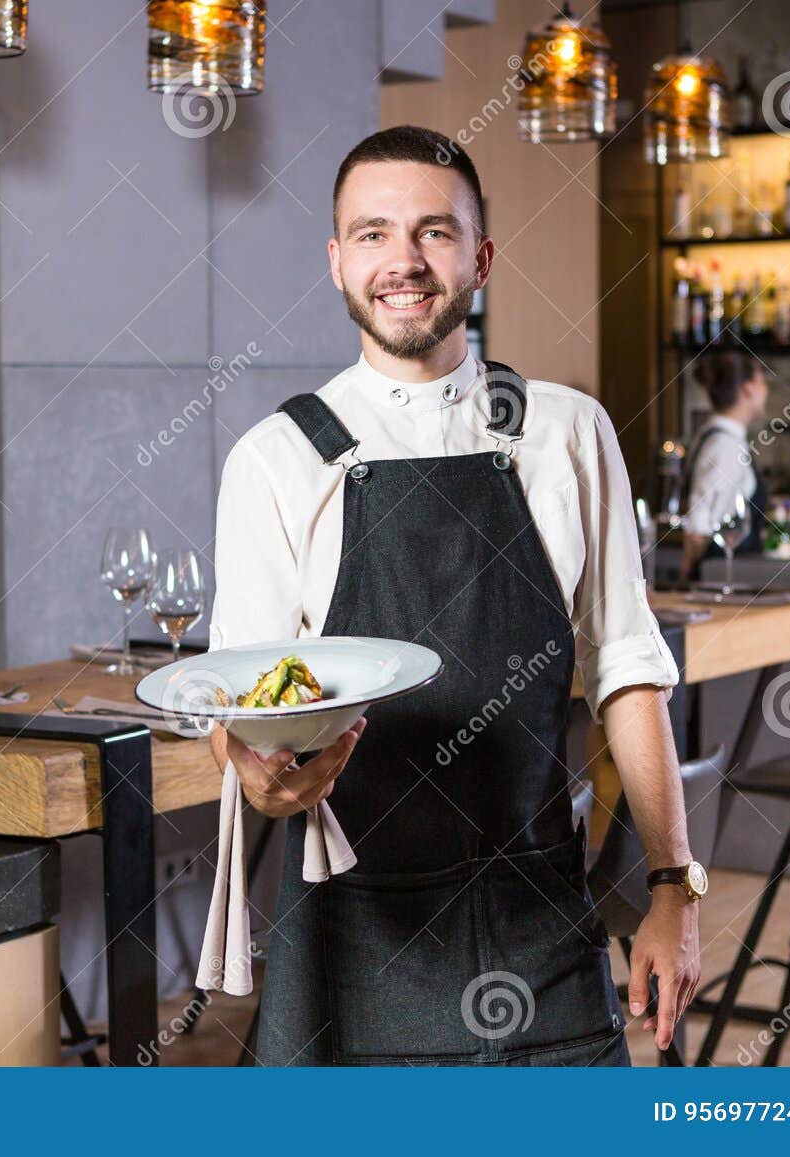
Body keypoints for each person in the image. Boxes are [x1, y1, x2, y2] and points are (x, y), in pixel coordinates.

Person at [206, 125, 701, 1066]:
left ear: (479, 257)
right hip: (353, 934)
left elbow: (627, 672)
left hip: (537, 904)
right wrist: (266, 777)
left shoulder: (567, 433)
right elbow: (250, 708)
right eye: (373, 234)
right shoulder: (276, 458)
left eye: (434, 233)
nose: (404, 261)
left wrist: (673, 888)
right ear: (336, 260)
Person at [679, 351, 769, 583]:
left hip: (722, 573)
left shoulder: (716, 435)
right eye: (762, 381)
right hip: (720, 577)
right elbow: (699, 521)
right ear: (748, 389)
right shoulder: (725, 445)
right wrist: (690, 570)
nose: (766, 390)